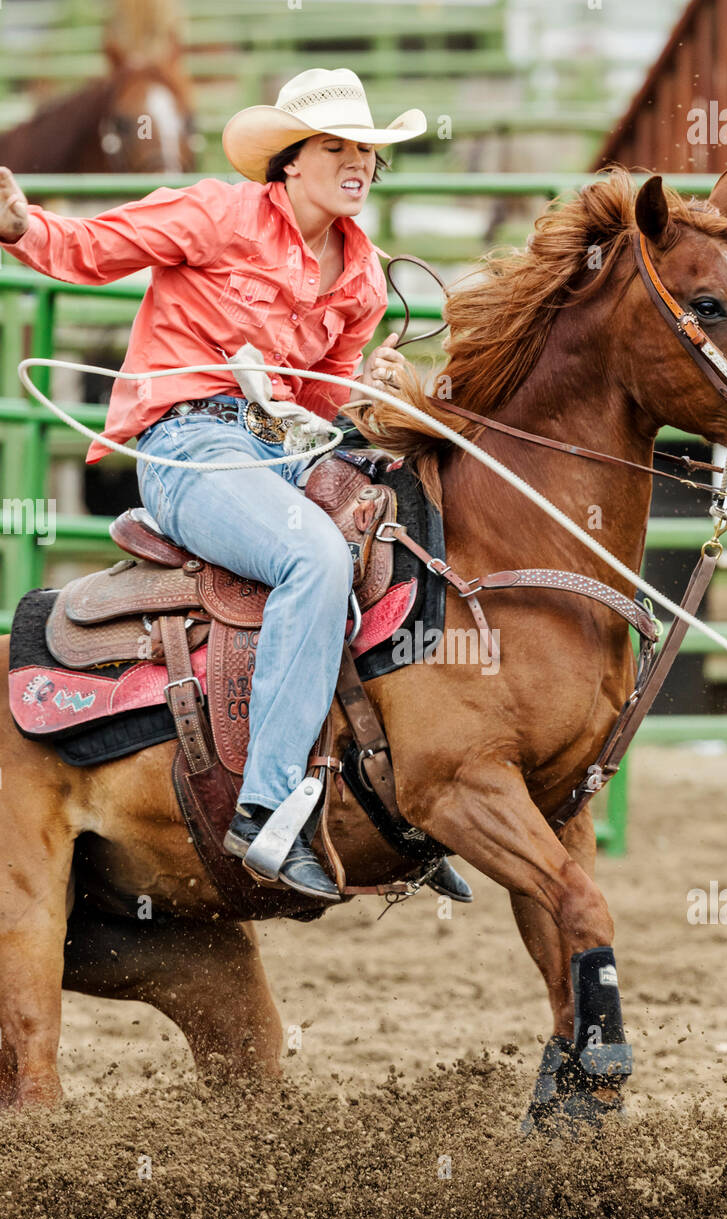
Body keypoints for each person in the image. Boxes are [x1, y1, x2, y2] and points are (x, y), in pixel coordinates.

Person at [0, 68, 470, 904]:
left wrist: (373, 388)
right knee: (314, 559)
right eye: (338, 148)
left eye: (367, 151)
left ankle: (419, 787)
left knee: (412, 523)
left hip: (283, 447)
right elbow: (92, 249)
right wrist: (20, 226)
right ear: (291, 161)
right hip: (191, 446)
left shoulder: (361, 277)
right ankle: (268, 807)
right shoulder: (217, 213)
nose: (358, 163)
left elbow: (319, 401)